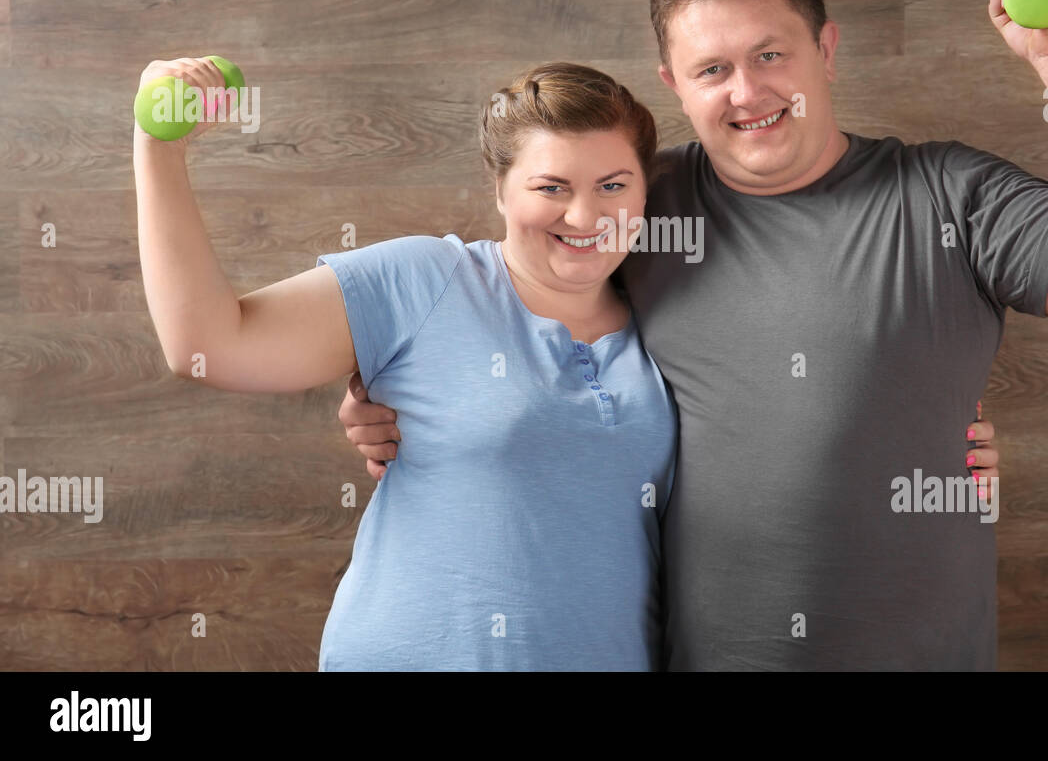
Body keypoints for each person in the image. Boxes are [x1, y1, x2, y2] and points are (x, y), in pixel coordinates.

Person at [341, 0, 1048, 670]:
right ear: (675, 84)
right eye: (712, 67)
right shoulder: (634, 202)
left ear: (824, 49)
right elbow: (501, 297)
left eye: (770, 54)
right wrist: (396, 400)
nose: (746, 92)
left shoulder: (946, 194)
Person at [134, 60, 678, 669]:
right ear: (500, 190)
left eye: (613, 185)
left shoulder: (668, 322)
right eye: (551, 187)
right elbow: (206, 345)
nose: (584, 217)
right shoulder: (426, 280)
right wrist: (159, 149)